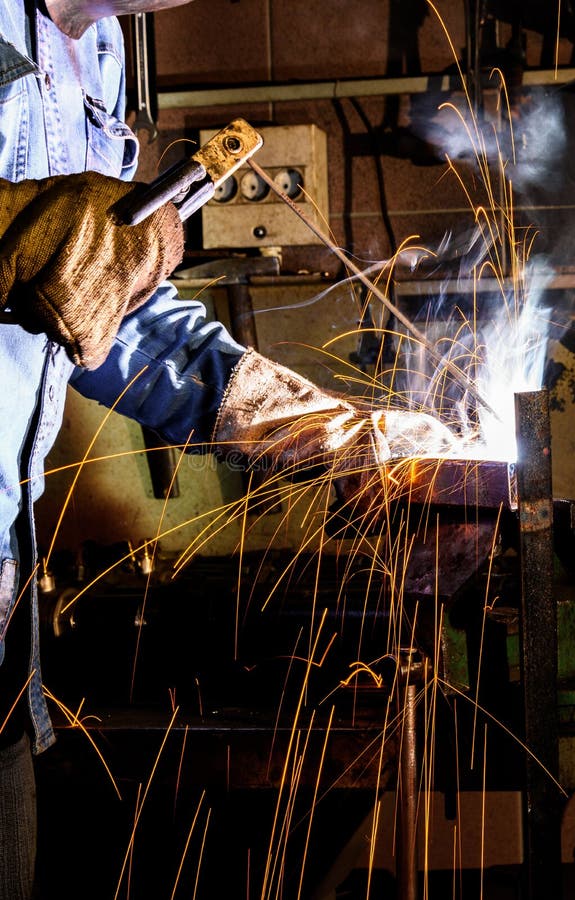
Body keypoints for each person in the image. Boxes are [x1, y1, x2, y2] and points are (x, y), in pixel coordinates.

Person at [0, 2, 459, 897]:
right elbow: (37, 248)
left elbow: (102, 317)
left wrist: (317, 429)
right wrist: (14, 229)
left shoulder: (102, 52)